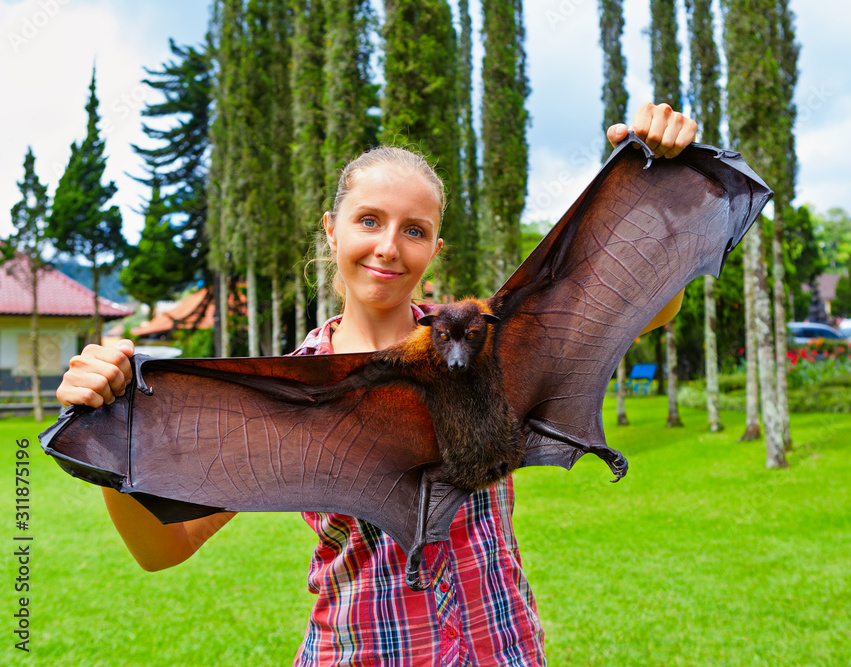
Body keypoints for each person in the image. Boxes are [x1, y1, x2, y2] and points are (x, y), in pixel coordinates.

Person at [55, 102, 696, 665]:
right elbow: (162, 549)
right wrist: (105, 430)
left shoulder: (481, 346)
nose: (389, 247)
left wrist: (651, 182)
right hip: (363, 651)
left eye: (413, 230)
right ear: (332, 230)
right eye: (369, 221)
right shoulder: (285, 395)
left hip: (498, 645)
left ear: (434, 249)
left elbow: (645, 309)